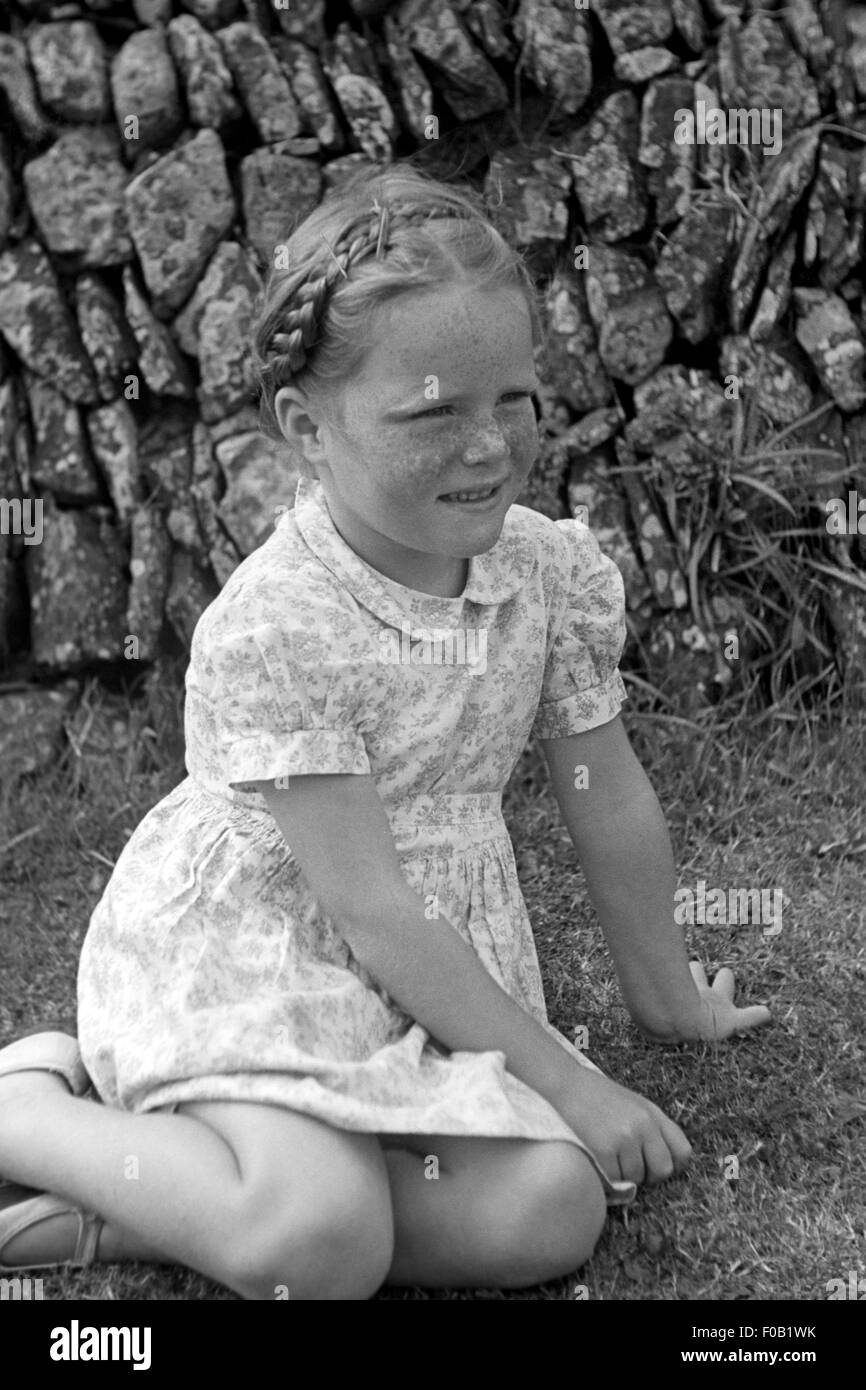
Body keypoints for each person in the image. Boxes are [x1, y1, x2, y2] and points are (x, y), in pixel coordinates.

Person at [0, 163, 771, 1299]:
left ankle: (187, 1209)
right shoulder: (275, 626)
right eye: (430, 412)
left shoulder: (543, 571)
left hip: (432, 970)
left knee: (549, 1208)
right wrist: (570, 1080)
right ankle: (26, 1110)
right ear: (307, 429)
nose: (488, 447)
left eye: (511, 398)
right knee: (324, 1235)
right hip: (253, 958)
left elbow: (606, 796)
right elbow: (375, 913)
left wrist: (662, 1000)